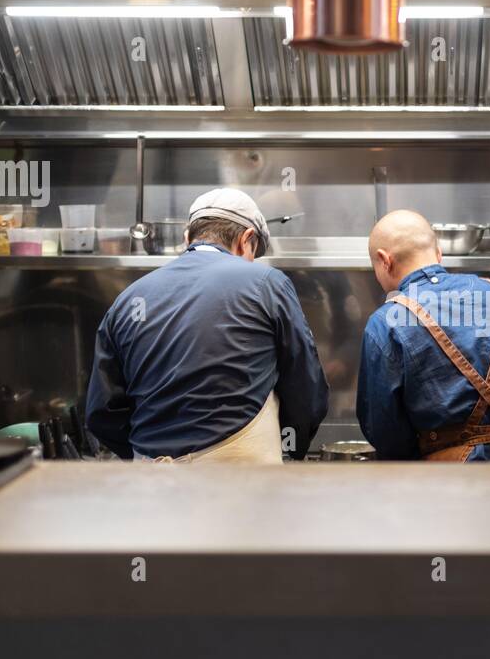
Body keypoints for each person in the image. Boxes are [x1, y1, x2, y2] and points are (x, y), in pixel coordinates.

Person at [85, 188, 328, 463]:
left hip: (151, 483)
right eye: (253, 254)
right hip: (241, 478)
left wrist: (149, 456)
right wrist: (291, 448)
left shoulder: (129, 298)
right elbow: (305, 388)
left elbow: (101, 412)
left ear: (187, 237)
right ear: (246, 239)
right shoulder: (268, 284)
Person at [356, 210, 490, 461]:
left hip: (449, 481)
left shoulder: (385, 322)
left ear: (385, 261)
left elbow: (384, 430)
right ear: (439, 254)